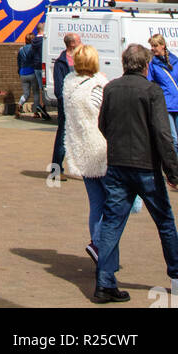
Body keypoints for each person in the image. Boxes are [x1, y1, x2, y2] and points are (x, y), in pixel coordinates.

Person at [93, 43, 178, 304]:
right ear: (146, 66)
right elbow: (162, 134)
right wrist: (172, 171)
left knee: (112, 222)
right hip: (145, 167)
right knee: (166, 224)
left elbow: (103, 124)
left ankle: (104, 283)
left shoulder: (111, 88)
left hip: (118, 165)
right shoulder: (151, 90)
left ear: (125, 64)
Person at [62, 44, 108, 263]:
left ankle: (98, 245)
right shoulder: (96, 87)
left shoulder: (69, 85)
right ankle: (100, 246)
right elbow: (104, 117)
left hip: (81, 150)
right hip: (100, 150)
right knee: (115, 206)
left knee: (96, 204)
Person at [147, 34, 178, 174]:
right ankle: (174, 172)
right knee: (173, 140)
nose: (152, 49)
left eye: (155, 46)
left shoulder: (175, 61)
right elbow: (150, 84)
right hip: (164, 105)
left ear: (162, 45)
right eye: (151, 46)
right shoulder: (152, 65)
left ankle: (164, 159)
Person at [51, 32, 82, 174]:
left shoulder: (80, 60)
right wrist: (67, 101)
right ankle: (56, 170)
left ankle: (86, 170)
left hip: (80, 105)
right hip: (67, 105)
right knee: (63, 137)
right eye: (79, 41)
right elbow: (59, 89)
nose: (81, 43)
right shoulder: (61, 63)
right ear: (72, 44)